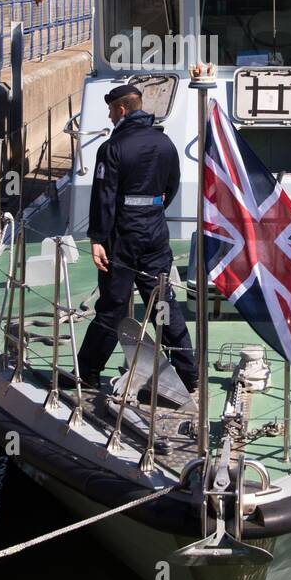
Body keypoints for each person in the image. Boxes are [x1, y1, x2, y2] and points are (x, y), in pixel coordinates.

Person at [78, 85, 197, 400]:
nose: (109, 115)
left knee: (113, 306)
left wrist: (97, 239)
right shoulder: (166, 143)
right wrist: (152, 212)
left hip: (123, 237)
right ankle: (189, 373)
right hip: (156, 232)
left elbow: (103, 198)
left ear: (121, 110)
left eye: (111, 110)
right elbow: (171, 187)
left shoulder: (112, 148)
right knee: (163, 303)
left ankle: (88, 373)